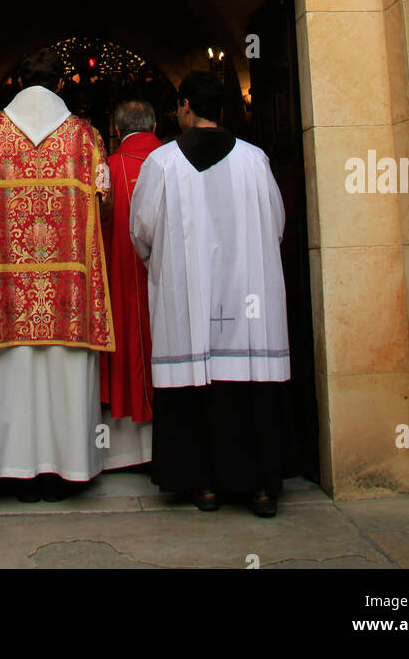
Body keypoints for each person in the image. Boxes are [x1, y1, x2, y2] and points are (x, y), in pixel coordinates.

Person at [129, 70, 291, 516]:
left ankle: (202, 485)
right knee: (249, 385)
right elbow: (276, 223)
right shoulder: (255, 160)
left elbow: (141, 230)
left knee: (194, 386)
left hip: (188, 300)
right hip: (249, 304)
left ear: (185, 107)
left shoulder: (162, 163)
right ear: (221, 109)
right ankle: (260, 487)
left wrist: (161, 264)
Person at [0, 46, 114, 502]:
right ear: (62, 85)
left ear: (17, 83)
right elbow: (103, 200)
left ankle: (5, 469)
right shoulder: (85, 137)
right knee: (62, 371)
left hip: (4, 285)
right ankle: (65, 470)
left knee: (12, 371)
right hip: (69, 287)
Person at [100, 98, 161, 471]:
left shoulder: (106, 169)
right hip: (167, 286)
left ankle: (124, 454)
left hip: (120, 283)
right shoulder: (178, 161)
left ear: (118, 131)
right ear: (154, 126)